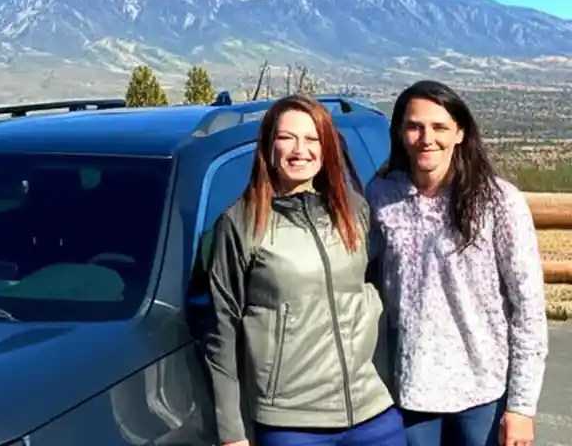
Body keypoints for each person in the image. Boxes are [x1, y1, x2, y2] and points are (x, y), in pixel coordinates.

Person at [204, 94, 402, 446]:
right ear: (268, 146)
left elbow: (378, 289)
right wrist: (231, 431)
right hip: (292, 422)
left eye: (312, 139)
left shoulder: (352, 210)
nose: (300, 149)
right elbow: (222, 330)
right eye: (287, 138)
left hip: (371, 408)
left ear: (326, 148)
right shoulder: (241, 223)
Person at [365, 80, 548, 446]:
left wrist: (522, 407)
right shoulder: (381, 195)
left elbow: (527, 307)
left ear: (460, 133)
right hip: (409, 388)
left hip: (484, 392)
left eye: (439, 127)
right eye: (415, 126)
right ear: (400, 133)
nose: (426, 137)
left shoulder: (497, 202)